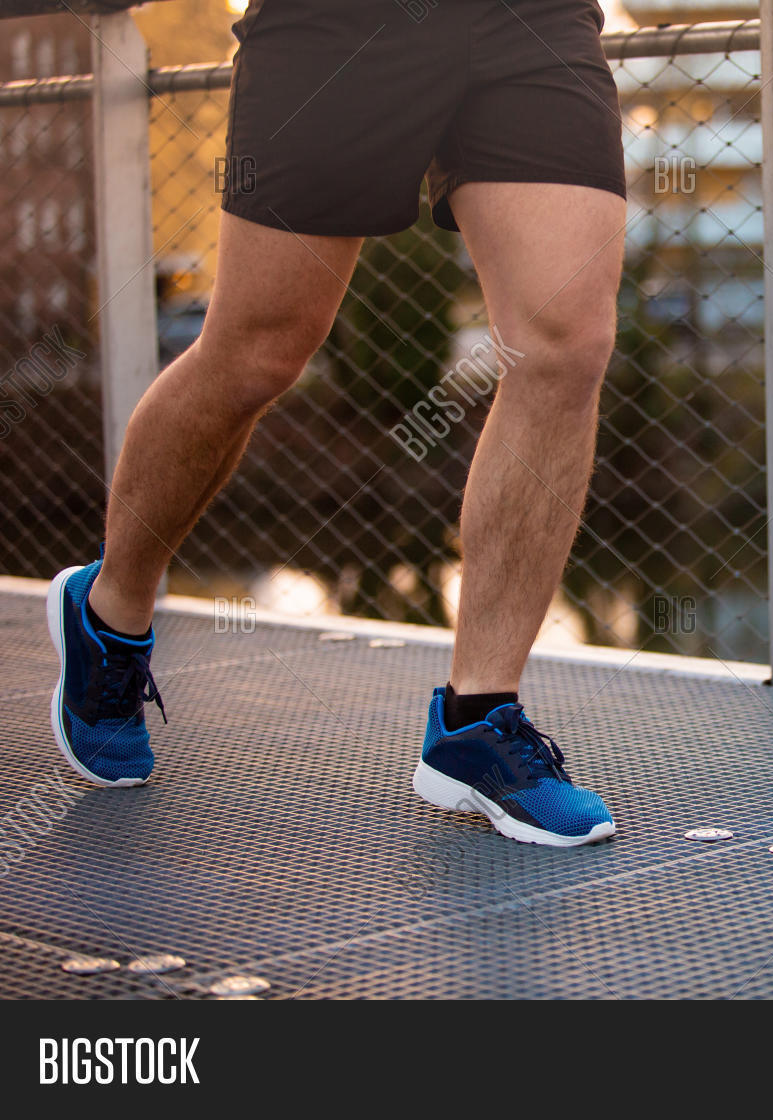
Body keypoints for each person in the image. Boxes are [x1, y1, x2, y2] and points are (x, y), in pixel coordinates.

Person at [45, 0, 624, 846]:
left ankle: (477, 721)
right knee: (260, 351)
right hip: (341, 22)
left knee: (566, 344)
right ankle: (111, 611)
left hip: (531, 20)